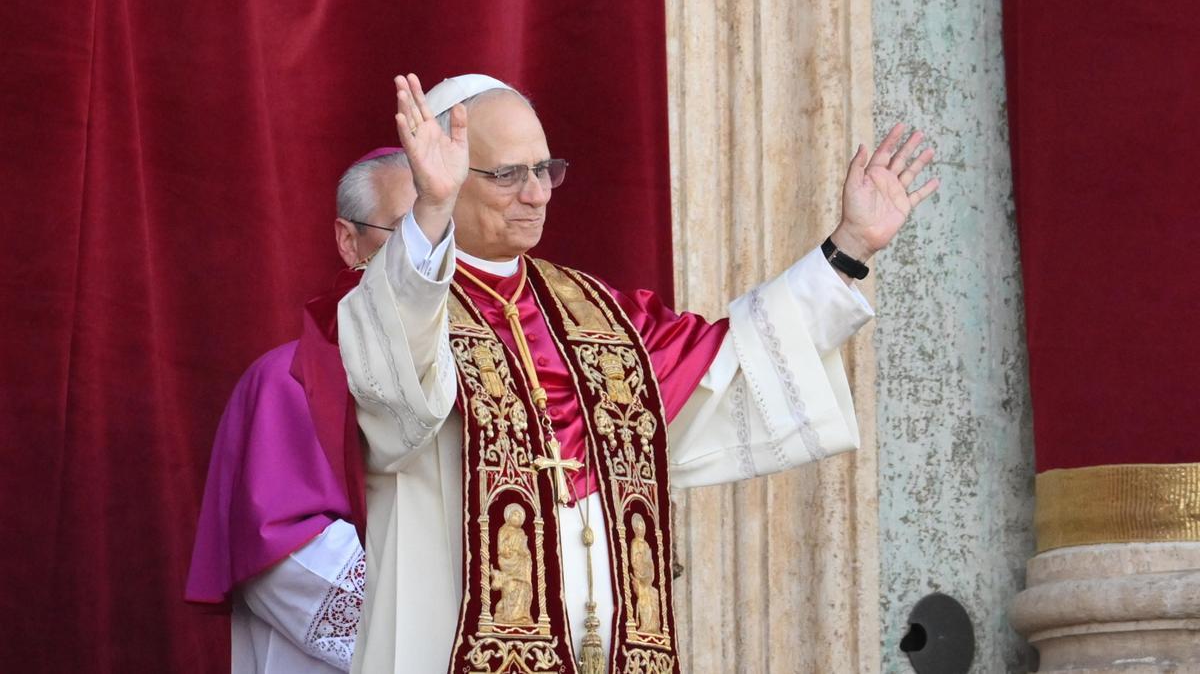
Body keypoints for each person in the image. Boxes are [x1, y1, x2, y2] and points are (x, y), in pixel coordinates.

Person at [338, 73, 939, 673]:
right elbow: (395, 392)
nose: (537, 193)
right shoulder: (404, 299)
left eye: (545, 169)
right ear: (445, 176)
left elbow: (733, 362)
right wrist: (432, 210)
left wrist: (849, 248)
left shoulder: (597, 313)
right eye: (508, 175)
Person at [185, 149, 416, 673]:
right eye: (407, 229)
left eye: (444, 232)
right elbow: (285, 556)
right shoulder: (289, 380)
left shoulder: (494, 373)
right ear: (348, 240)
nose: (430, 254)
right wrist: (438, 623)